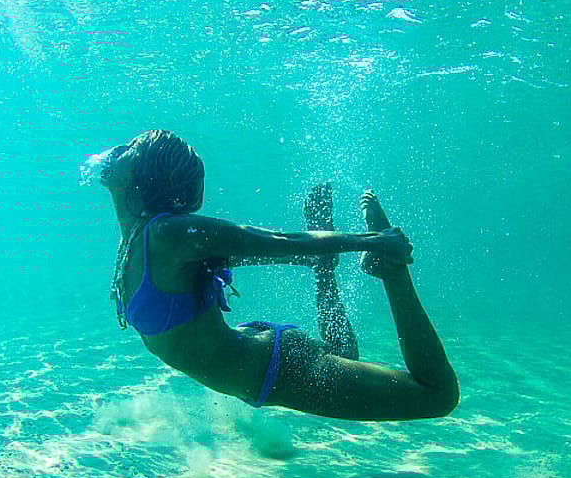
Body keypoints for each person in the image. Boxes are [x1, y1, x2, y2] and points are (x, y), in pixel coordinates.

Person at [81, 129, 458, 421]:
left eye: (130, 147)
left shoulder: (167, 236)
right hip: (259, 358)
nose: (118, 150)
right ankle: (327, 269)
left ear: (143, 175)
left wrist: (374, 241)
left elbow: (276, 242)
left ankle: (391, 271)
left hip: (274, 369)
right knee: (345, 355)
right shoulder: (139, 235)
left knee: (438, 395)